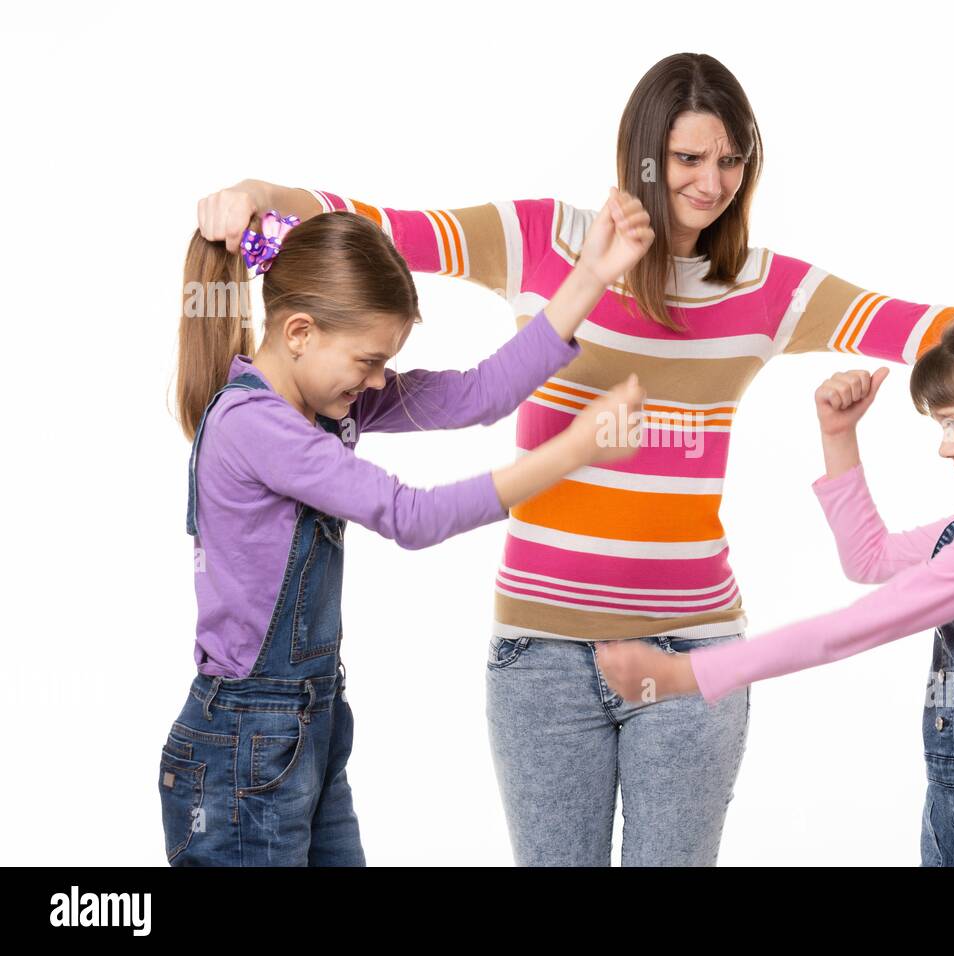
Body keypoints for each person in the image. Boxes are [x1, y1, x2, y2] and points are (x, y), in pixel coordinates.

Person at [196, 53, 954, 866]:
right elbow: (382, 227)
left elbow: (925, 328)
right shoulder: (544, 238)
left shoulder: (767, 287)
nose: (710, 182)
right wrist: (262, 197)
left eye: (731, 162)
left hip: (694, 644)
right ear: (642, 153)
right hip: (539, 655)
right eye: (689, 157)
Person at [161, 190, 652, 865]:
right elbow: (410, 516)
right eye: (367, 362)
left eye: (384, 362)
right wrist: (571, 453)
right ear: (300, 333)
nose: (376, 381)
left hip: (310, 726)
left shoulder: (321, 399)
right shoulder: (254, 426)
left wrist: (591, 275)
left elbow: (477, 393)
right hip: (245, 745)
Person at [596, 300, 954, 865]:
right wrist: (839, 436)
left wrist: (686, 673)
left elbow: (853, 628)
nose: (947, 446)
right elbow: (870, 558)